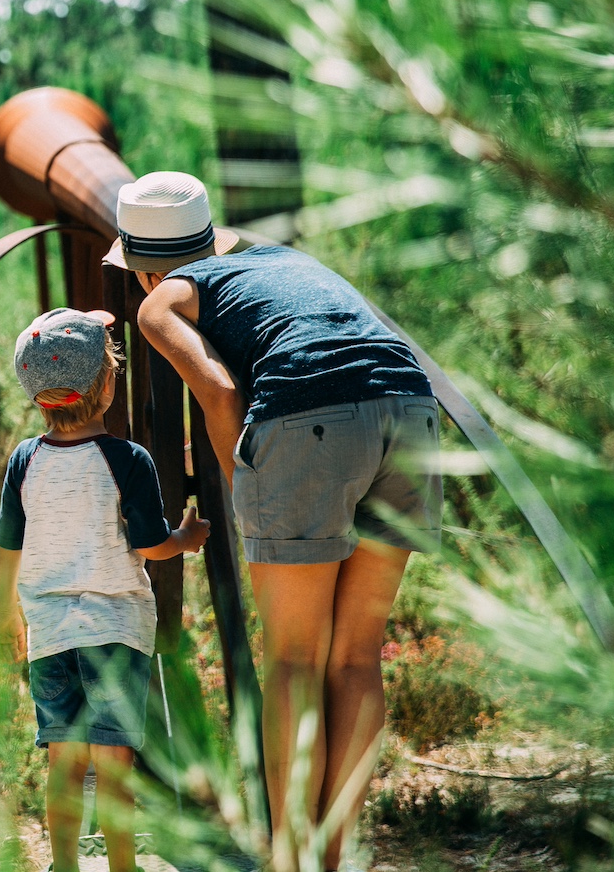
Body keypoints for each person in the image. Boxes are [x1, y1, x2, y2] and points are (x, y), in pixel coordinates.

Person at [108, 170, 441, 871]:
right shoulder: (280, 261)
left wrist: (242, 484)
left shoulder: (162, 298)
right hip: (411, 409)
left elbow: (219, 387)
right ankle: (331, 856)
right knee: (355, 655)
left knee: (293, 658)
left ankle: (290, 860)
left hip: (309, 418)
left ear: (141, 267)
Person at [0, 306, 211, 872]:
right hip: (114, 630)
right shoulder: (126, 459)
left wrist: (5, 617)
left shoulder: (25, 459)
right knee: (113, 766)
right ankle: (122, 868)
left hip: (50, 635)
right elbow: (148, 545)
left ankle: (63, 865)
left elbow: (7, 544)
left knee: (64, 763)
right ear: (107, 383)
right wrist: (184, 539)